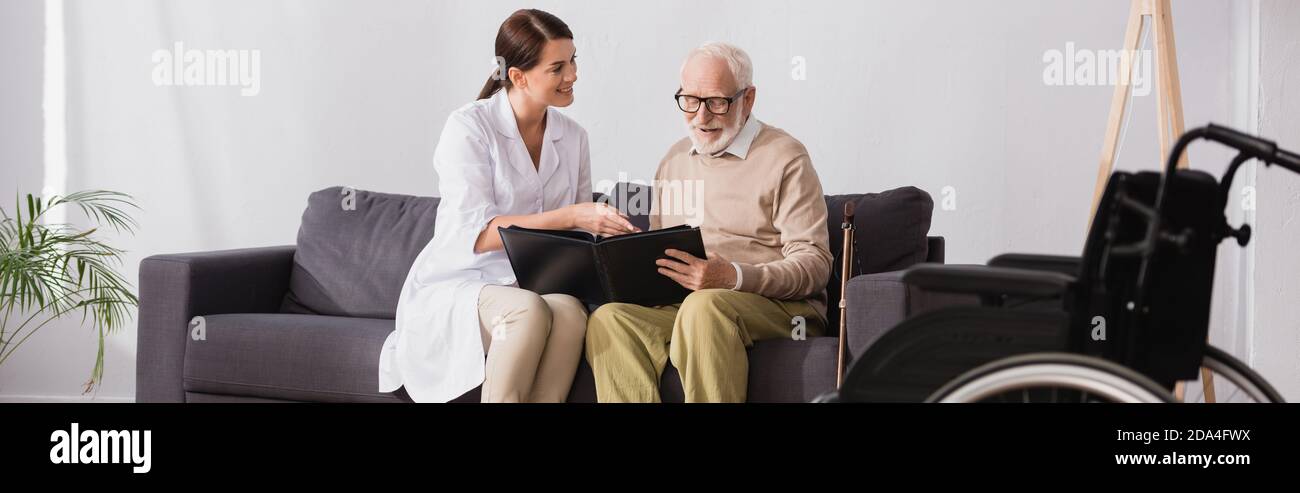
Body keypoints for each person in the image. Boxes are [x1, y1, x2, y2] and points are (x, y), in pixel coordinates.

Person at [379, 9, 638, 403]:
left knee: (569, 313)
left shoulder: (573, 137)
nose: (572, 75)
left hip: (534, 283)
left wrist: (606, 238)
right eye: (557, 67)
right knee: (526, 312)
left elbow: (577, 236)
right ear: (518, 76)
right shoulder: (469, 128)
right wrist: (570, 216)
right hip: (464, 282)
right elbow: (479, 236)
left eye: (573, 61)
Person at [585, 42, 833, 403]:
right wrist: (629, 262)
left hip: (780, 308)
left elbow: (815, 265)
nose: (701, 117)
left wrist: (732, 276)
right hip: (688, 305)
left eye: (717, 101)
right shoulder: (674, 160)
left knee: (706, 306)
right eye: (689, 100)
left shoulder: (785, 157)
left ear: (747, 99)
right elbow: (661, 250)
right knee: (611, 319)